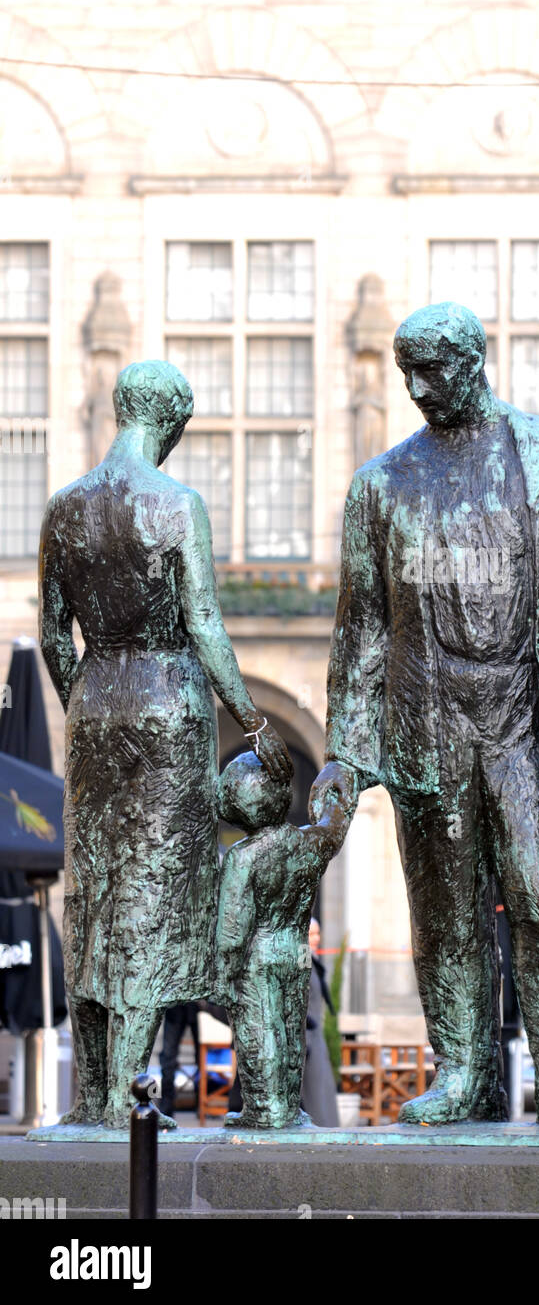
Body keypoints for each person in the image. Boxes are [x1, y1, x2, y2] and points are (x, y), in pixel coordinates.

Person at [310, 301, 539, 1125]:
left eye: (435, 370)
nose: (419, 389)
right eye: (407, 373)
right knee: (446, 911)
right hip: (428, 727)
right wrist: (348, 751)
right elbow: (362, 632)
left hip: (523, 725)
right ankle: (464, 1071)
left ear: (476, 360)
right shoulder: (380, 485)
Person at [39, 359, 292, 1129]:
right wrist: (250, 718)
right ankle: (124, 1096)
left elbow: (53, 634)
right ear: (175, 419)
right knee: (151, 891)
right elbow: (205, 623)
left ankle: (88, 1094)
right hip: (167, 699)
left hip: (95, 703)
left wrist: (79, 703)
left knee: (94, 885)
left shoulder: (63, 507)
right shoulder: (177, 504)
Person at [215, 752, 345, 1128]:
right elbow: (332, 830)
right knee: (291, 1030)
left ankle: (264, 1107)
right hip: (296, 951)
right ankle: (288, 1105)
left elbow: (231, 932)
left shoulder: (243, 857)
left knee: (260, 1031)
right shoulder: (307, 843)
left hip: (258, 955)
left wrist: (223, 975)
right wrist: (334, 792)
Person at [299, 917, 339, 1127]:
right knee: (313, 1092)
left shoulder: (310, 957)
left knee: (322, 1090)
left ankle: (326, 1132)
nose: (316, 939)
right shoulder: (302, 955)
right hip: (307, 1036)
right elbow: (299, 988)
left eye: (317, 934)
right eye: (311, 934)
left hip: (316, 1035)